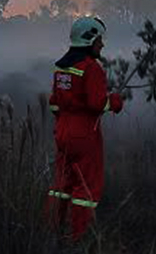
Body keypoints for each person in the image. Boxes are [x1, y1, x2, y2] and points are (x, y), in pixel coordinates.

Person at [45, 16, 124, 242]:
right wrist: (115, 102)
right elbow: (97, 104)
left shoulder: (61, 68)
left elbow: (54, 103)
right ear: (89, 38)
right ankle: (76, 238)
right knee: (86, 187)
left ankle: (52, 229)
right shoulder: (91, 68)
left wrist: (66, 120)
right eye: (100, 39)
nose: (102, 44)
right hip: (84, 135)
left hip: (62, 132)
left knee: (62, 182)